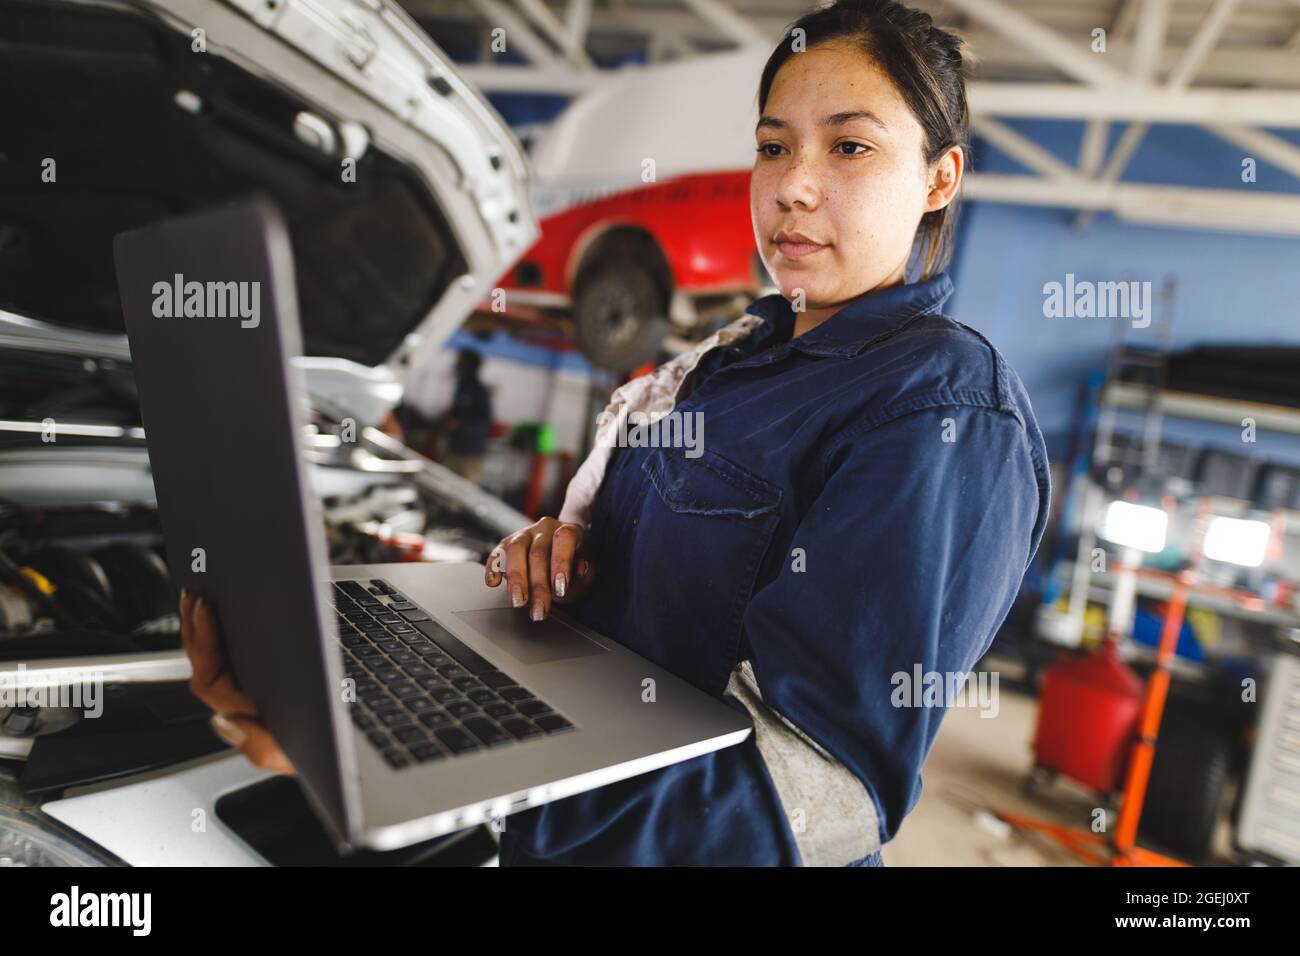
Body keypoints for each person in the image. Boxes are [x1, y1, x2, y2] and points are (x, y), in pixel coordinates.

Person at [181, 0, 1050, 866]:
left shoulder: (942, 408)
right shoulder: (727, 362)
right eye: (773, 145)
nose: (792, 184)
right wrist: (561, 563)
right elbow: (655, 600)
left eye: (849, 146)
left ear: (940, 178)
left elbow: (811, 800)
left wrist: (466, 793)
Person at [438, 349, 493, 484]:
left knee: (465, 489)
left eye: (459, 361)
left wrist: (460, 424)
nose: (455, 364)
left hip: (469, 454)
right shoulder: (461, 386)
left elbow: (484, 420)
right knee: (444, 484)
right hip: (454, 449)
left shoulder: (478, 390)